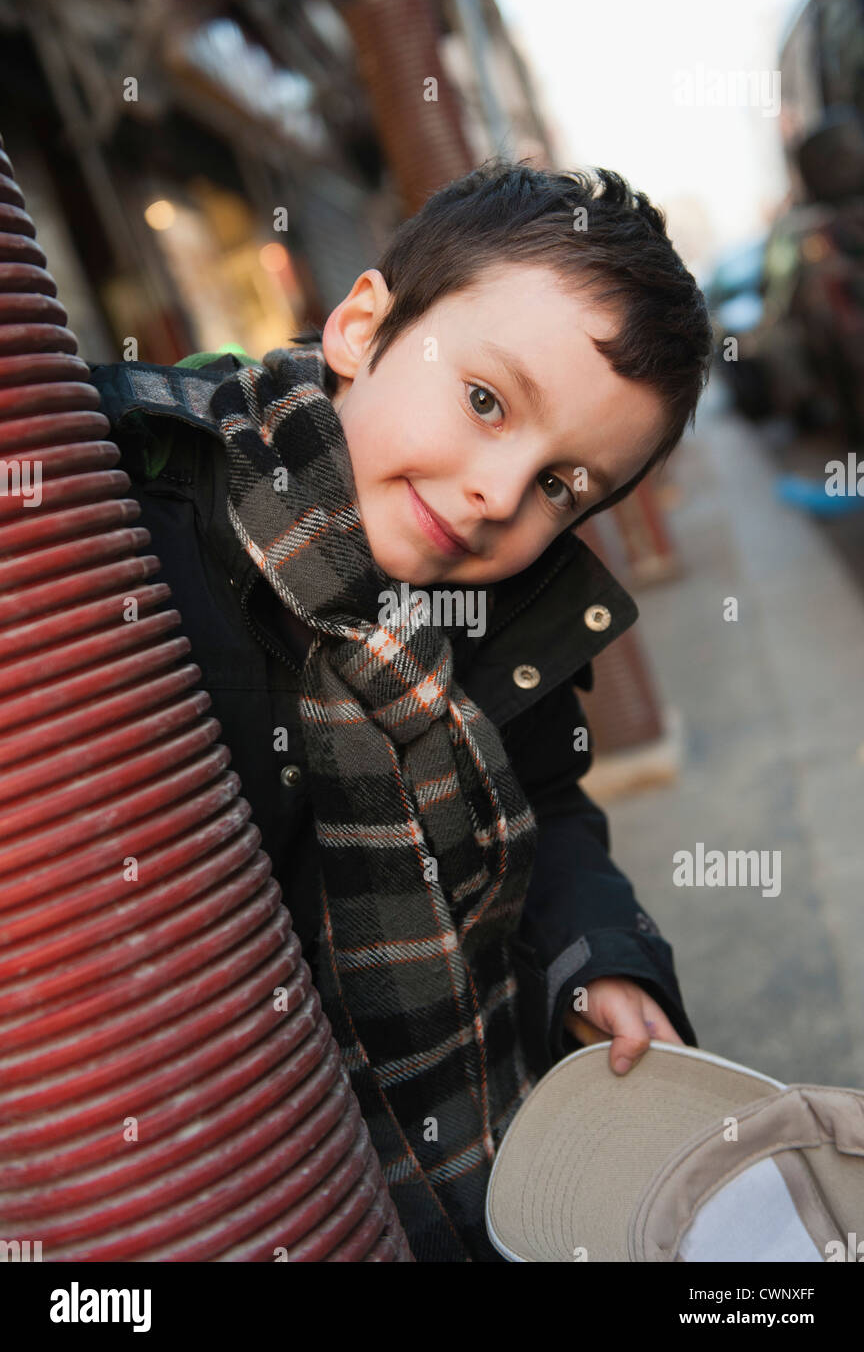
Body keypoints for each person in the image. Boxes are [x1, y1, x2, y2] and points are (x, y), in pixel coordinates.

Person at [88, 157, 714, 1261]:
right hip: (196, 1168)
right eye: (485, 400)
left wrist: (596, 954)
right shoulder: (134, 506)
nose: (499, 492)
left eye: (565, 485)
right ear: (362, 328)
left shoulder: (506, 617)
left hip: (435, 1158)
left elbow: (550, 808)